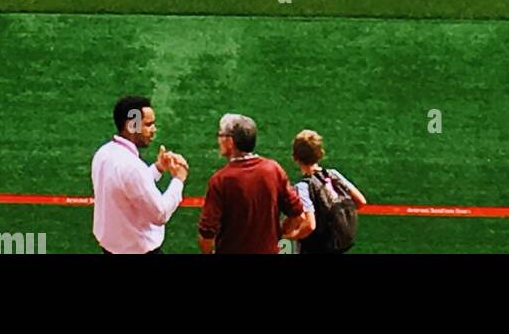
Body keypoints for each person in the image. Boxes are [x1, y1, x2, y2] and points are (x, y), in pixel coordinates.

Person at [196, 113, 309, 255]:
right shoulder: (273, 169)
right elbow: (298, 215)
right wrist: (278, 234)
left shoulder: (220, 180)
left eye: (220, 135)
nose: (218, 140)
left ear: (230, 141)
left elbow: (207, 233)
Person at [91, 94, 188, 254]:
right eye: (148, 124)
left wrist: (158, 168)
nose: (153, 130)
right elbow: (160, 213)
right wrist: (179, 179)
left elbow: (128, 187)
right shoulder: (132, 166)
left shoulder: (103, 153)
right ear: (132, 125)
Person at [287, 129, 365, 255]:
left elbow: (310, 225)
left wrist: (291, 235)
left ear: (295, 157)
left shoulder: (303, 186)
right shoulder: (333, 174)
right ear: (320, 154)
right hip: (337, 244)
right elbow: (361, 201)